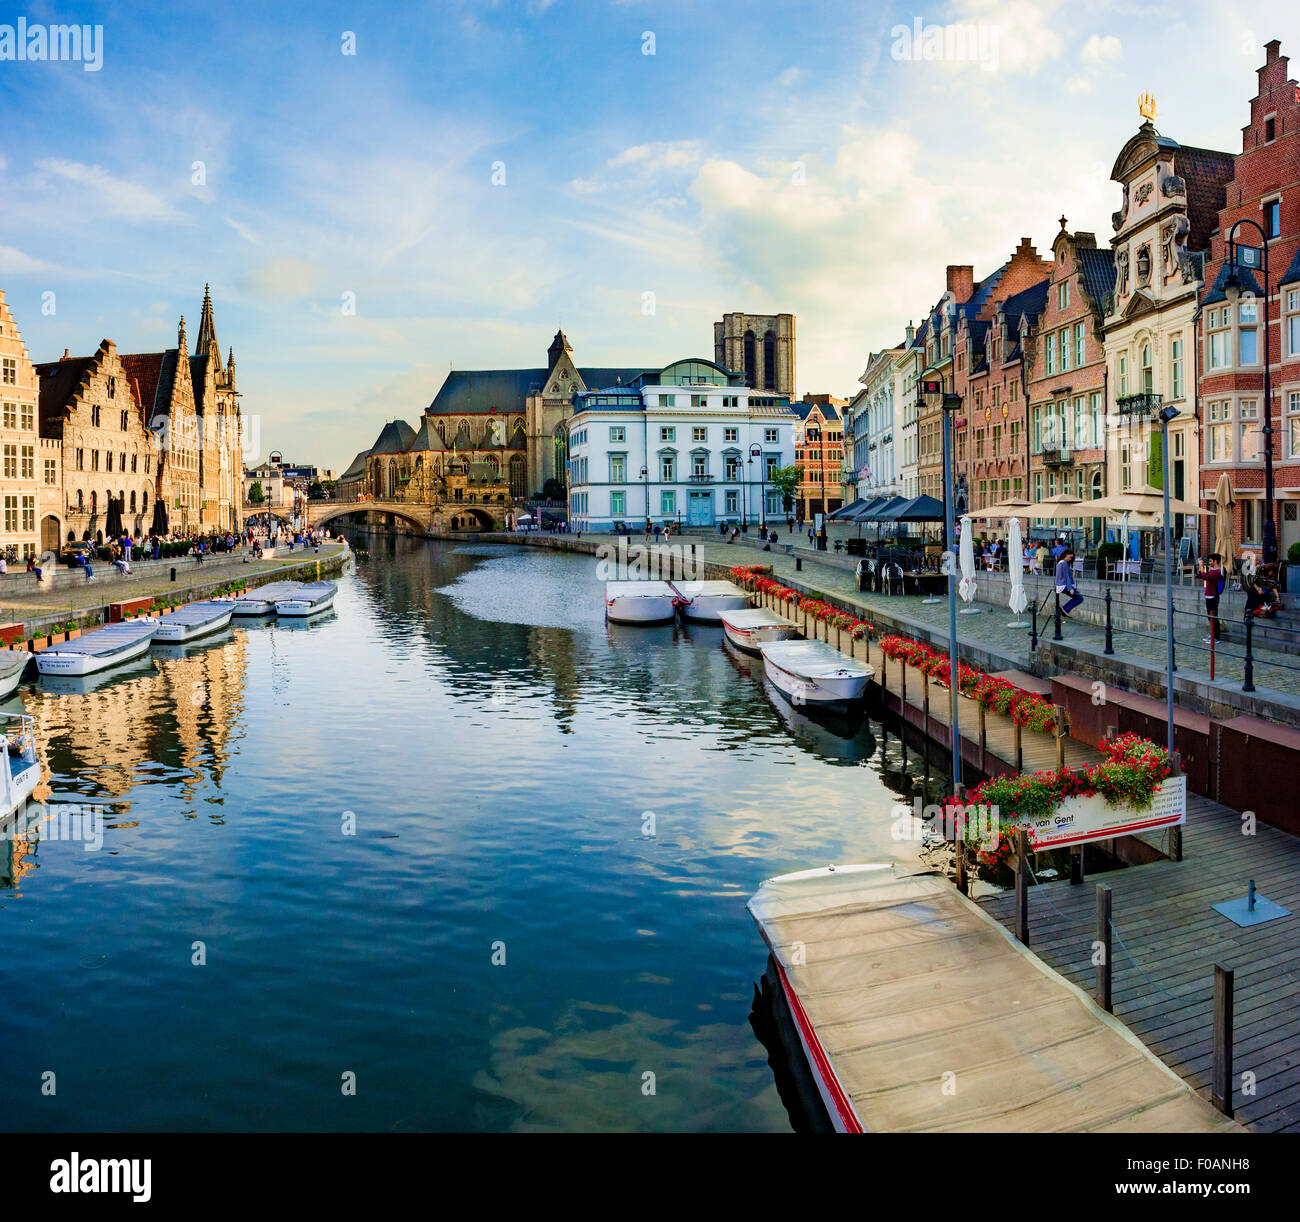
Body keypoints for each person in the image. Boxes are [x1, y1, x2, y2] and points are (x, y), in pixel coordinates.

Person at [1198, 553, 1228, 643]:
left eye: (1211, 561)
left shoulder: (1217, 572)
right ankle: (1212, 635)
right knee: (1210, 617)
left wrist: (1201, 565)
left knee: (1213, 617)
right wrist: (1201, 567)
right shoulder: (1212, 571)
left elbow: (1204, 577)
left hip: (1213, 597)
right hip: (1208, 596)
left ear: (1215, 561)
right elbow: (1201, 575)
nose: (1209, 562)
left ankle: (1216, 637)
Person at [1055, 548, 1082, 617]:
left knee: (1077, 597)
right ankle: (1066, 609)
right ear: (1066, 555)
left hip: (1060, 586)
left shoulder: (1059, 563)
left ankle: (1064, 609)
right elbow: (1066, 576)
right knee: (1080, 598)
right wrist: (1070, 588)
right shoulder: (1063, 563)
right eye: (1070, 557)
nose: (1070, 559)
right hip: (1065, 586)